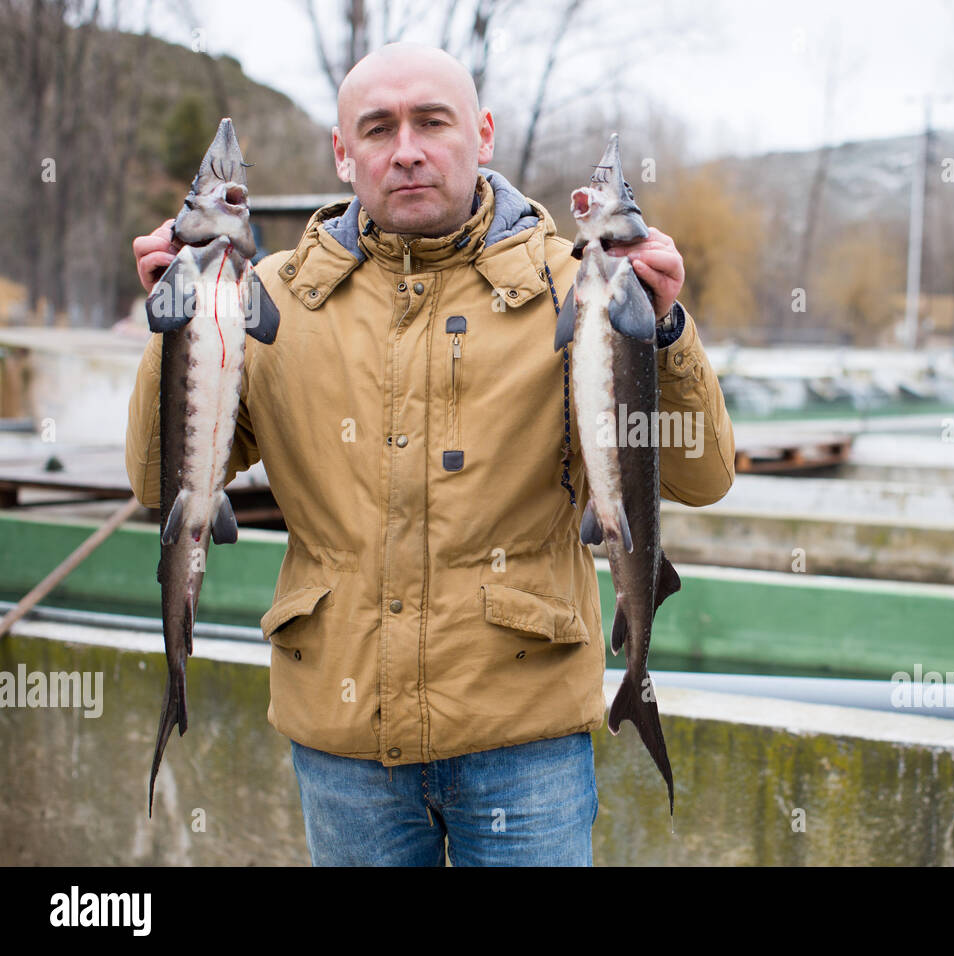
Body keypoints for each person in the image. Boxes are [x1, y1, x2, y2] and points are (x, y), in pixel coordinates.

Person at [126, 42, 736, 866]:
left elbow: (704, 476)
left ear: (481, 134)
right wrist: (170, 324)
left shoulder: (583, 285)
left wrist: (662, 331)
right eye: (377, 128)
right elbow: (153, 481)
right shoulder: (262, 297)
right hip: (345, 752)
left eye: (432, 122)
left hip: (527, 750)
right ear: (344, 154)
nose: (406, 148)